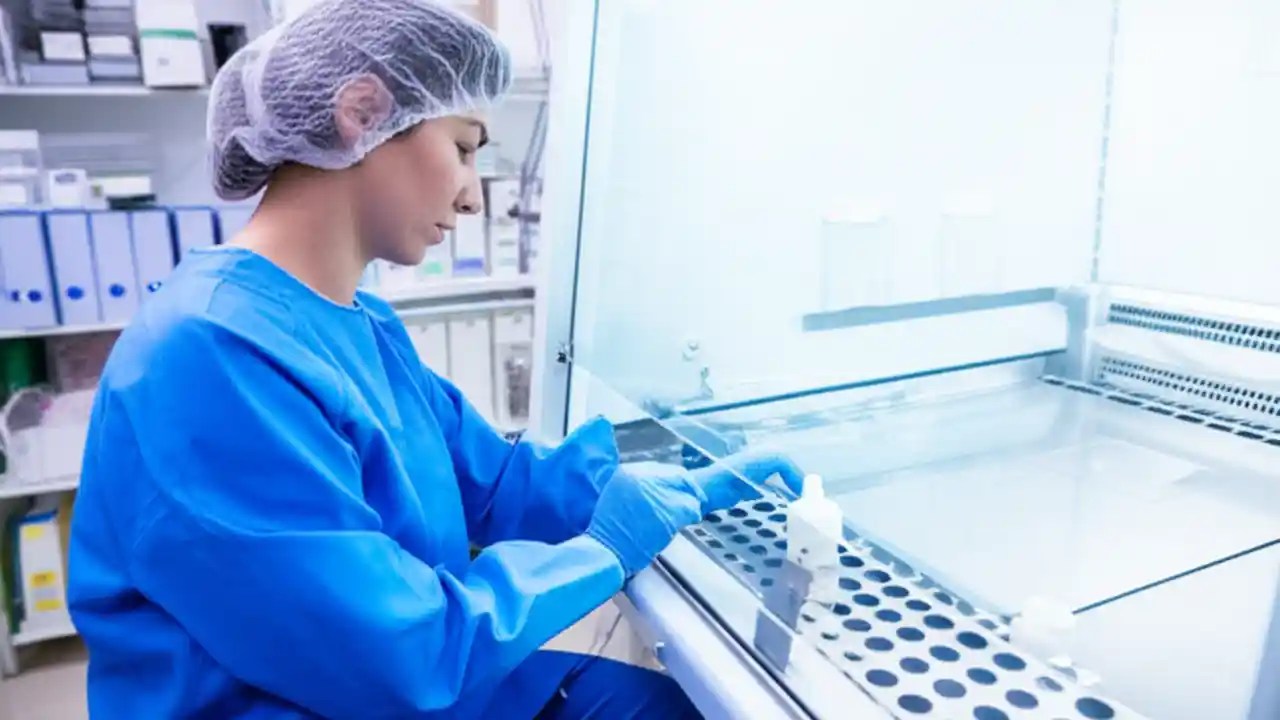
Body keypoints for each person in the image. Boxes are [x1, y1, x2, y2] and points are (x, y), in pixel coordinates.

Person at [66, 1, 804, 718]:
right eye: (464, 148)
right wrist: (604, 548)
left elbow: (490, 480)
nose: (473, 198)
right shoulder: (208, 359)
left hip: (435, 683)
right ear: (361, 112)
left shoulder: (362, 324)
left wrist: (665, 486)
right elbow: (395, 655)